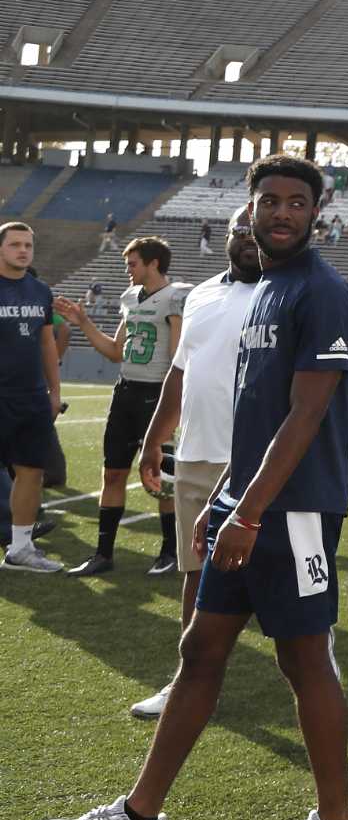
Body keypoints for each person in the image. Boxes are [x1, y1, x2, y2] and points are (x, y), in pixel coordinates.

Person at [34, 155, 348, 820]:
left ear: (317, 213)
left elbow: (307, 413)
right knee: (200, 649)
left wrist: (245, 511)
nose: (282, 212)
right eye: (269, 200)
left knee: (304, 658)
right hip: (241, 500)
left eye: (297, 202)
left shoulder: (322, 291)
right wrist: (223, 501)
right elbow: (253, 410)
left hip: (295, 511)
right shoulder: (264, 288)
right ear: (249, 210)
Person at [128, 207, 264, 719]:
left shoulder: (284, 293)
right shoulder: (201, 294)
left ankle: (320, 675)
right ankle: (188, 681)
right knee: (195, 573)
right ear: (225, 236)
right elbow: (180, 374)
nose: (250, 238)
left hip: (259, 461)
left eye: (256, 230)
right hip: (196, 454)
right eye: (241, 230)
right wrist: (155, 439)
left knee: (285, 579)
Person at [54, 237, 191, 576]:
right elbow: (116, 352)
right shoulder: (130, 297)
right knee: (113, 472)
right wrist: (84, 322)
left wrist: (174, 402)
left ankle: (169, 553)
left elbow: (177, 357)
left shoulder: (175, 297)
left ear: (153, 263)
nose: (128, 270)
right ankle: (103, 554)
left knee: (161, 475)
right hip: (125, 392)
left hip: (156, 393)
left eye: (132, 264)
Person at [0, 222, 64, 572]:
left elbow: (46, 342)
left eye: (28, 245)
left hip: (31, 396)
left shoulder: (40, 290)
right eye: (15, 244)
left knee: (30, 471)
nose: (23, 250)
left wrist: (54, 391)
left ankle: (20, 549)